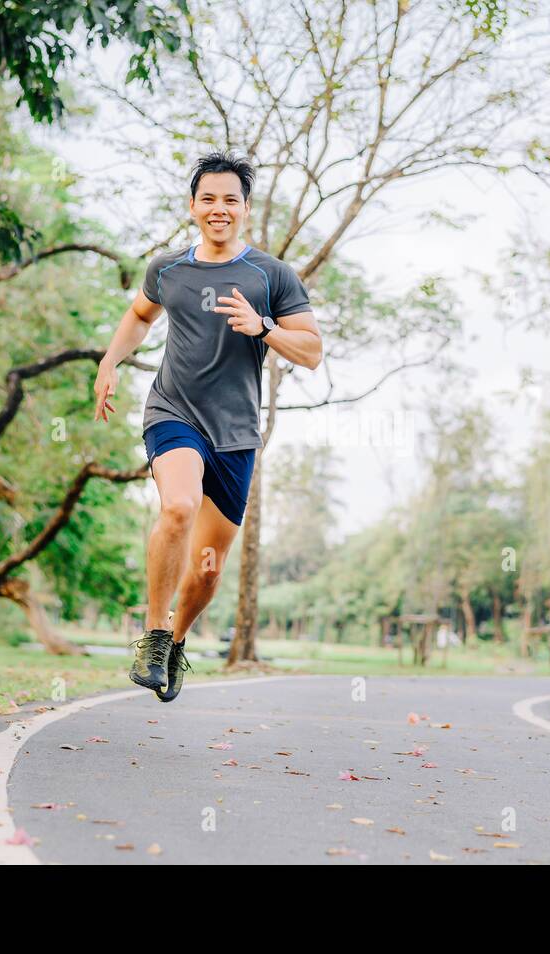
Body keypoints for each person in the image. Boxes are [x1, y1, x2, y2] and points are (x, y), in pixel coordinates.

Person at [94, 150, 323, 701]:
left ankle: (175, 642)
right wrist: (109, 360)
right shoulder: (168, 269)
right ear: (193, 206)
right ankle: (152, 635)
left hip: (236, 433)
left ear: (245, 208)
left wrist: (263, 326)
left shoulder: (272, 275)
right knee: (177, 507)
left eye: (230, 199)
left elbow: (312, 351)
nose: (218, 208)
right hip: (173, 411)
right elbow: (139, 316)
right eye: (208, 199)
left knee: (209, 569)